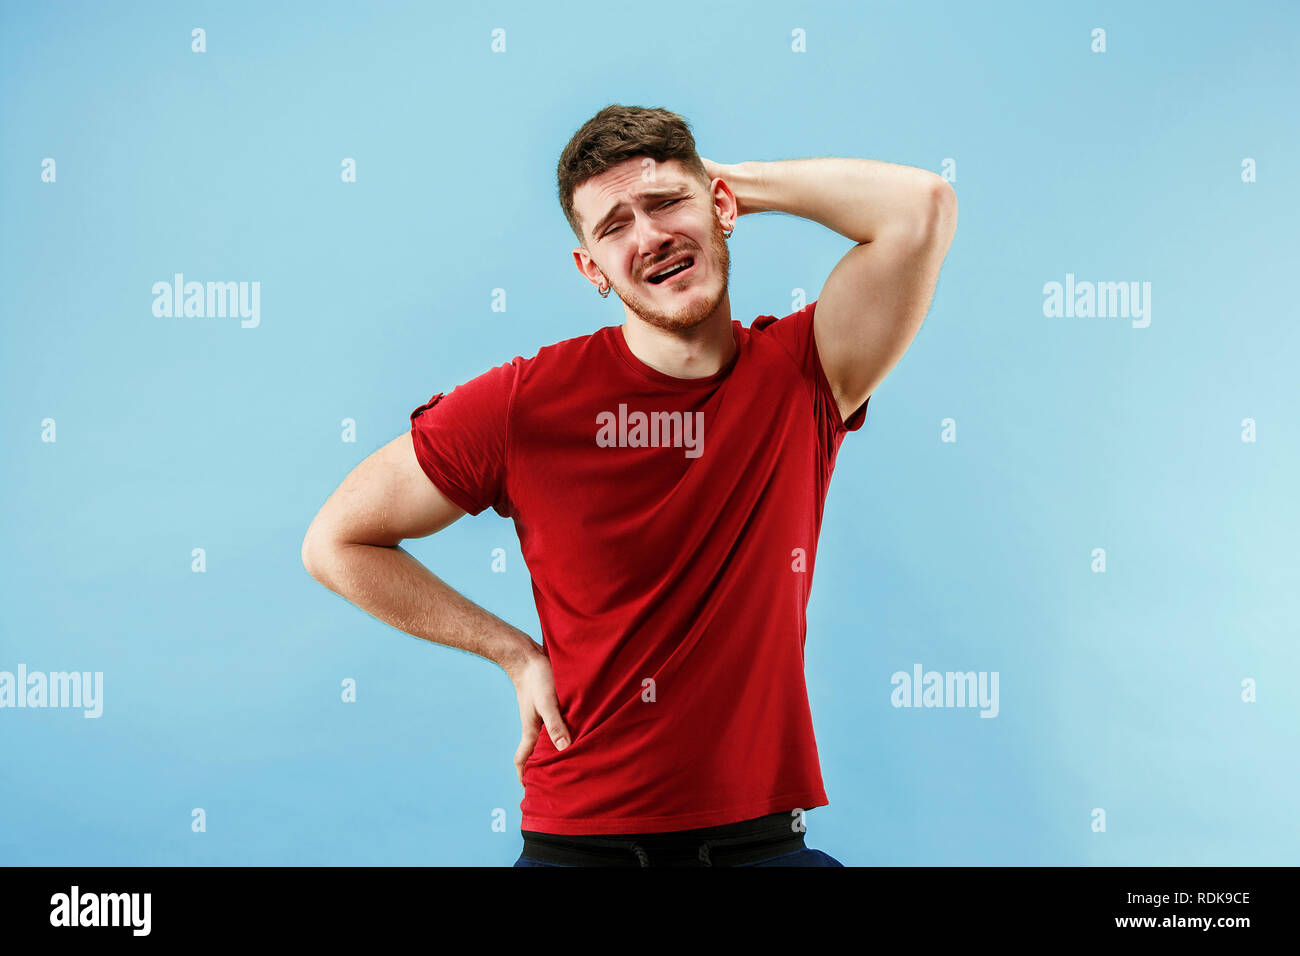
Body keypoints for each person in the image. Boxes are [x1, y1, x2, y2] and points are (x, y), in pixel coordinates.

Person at [302, 105, 957, 866]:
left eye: (666, 203)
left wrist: (723, 182)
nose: (648, 236)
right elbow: (336, 542)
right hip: (582, 845)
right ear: (592, 271)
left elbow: (922, 208)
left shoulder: (803, 375)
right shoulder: (524, 405)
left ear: (721, 210)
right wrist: (514, 653)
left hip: (763, 845)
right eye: (613, 226)